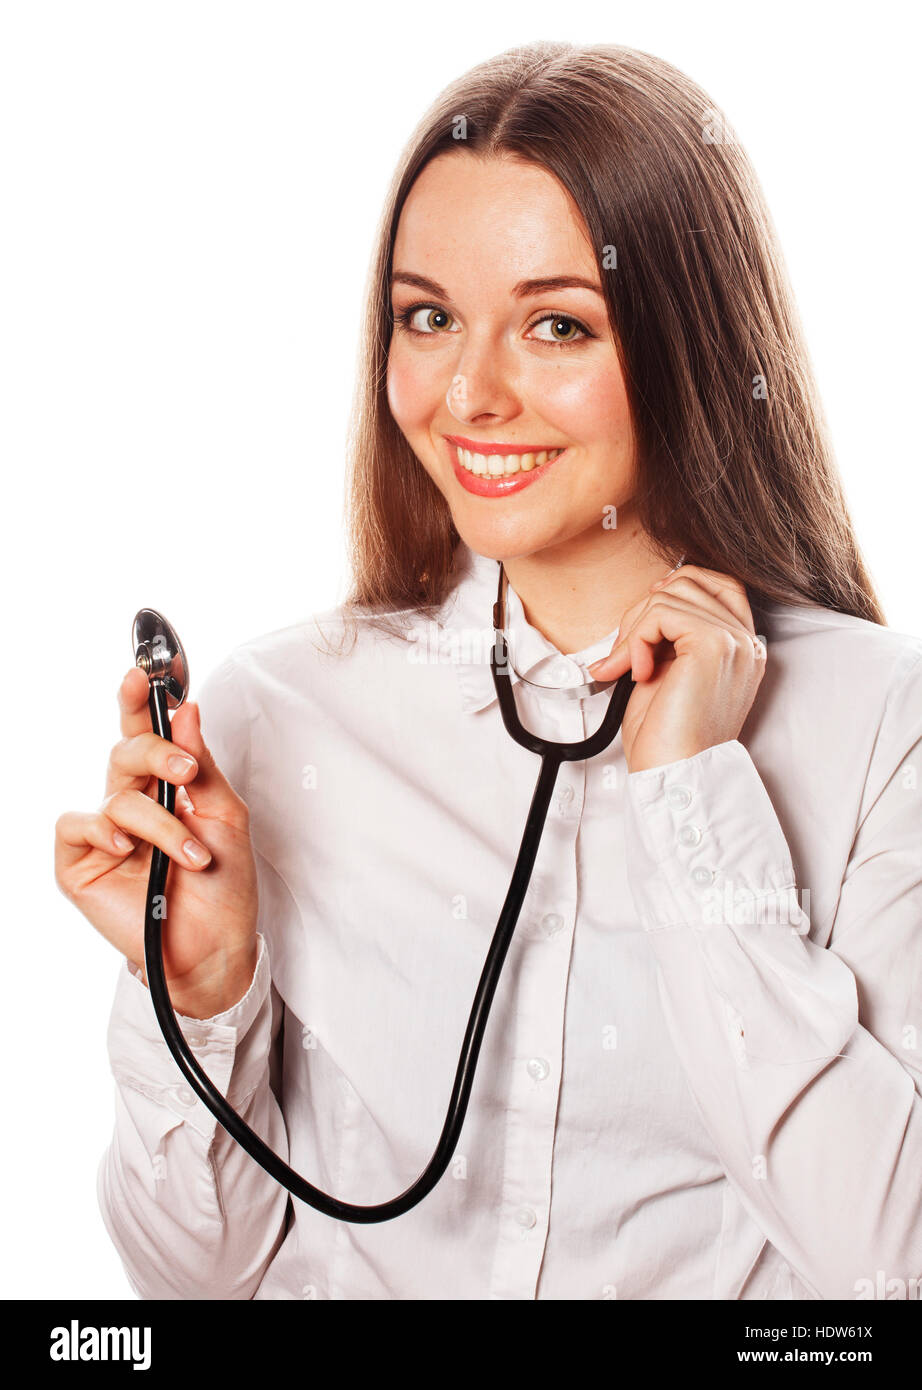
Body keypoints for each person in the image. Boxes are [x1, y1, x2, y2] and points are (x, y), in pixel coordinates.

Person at [55, 40, 922, 1301]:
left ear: (691, 343)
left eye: (556, 324)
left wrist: (690, 797)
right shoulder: (277, 715)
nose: (469, 392)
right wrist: (203, 994)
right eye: (429, 317)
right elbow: (197, 1285)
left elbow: (893, 1261)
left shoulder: (878, 726)